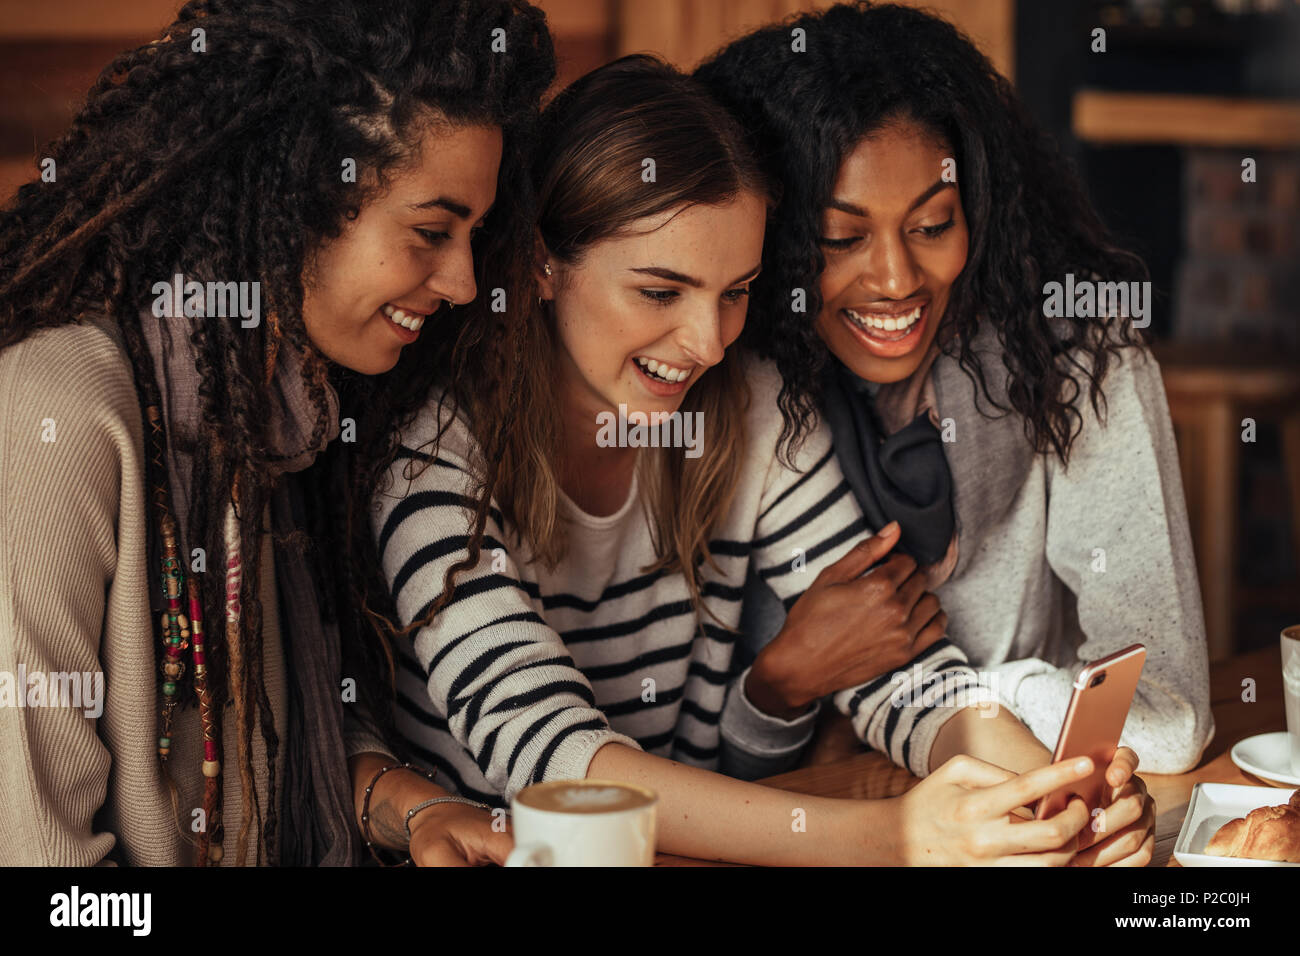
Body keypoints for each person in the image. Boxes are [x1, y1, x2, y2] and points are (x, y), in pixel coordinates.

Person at [373, 54, 1122, 866]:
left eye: (736, 292)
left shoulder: (753, 404)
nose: (707, 343)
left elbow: (899, 676)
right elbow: (555, 764)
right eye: (661, 293)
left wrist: (1049, 791)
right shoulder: (434, 461)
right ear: (542, 264)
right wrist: (902, 837)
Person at [0, 0, 553, 866]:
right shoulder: (57, 409)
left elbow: (290, 733)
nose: (461, 281)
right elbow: (46, 863)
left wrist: (419, 812)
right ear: (297, 194)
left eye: (473, 236)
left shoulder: (278, 405)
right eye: (431, 232)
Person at [697, 0, 1215, 847]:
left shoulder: (1071, 363)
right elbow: (706, 774)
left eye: (933, 225)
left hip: (1010, 814)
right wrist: (781, 691)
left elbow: (1168, 718)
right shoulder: (734, 384)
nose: (896, 278)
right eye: (838, 239)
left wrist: (977, 698)